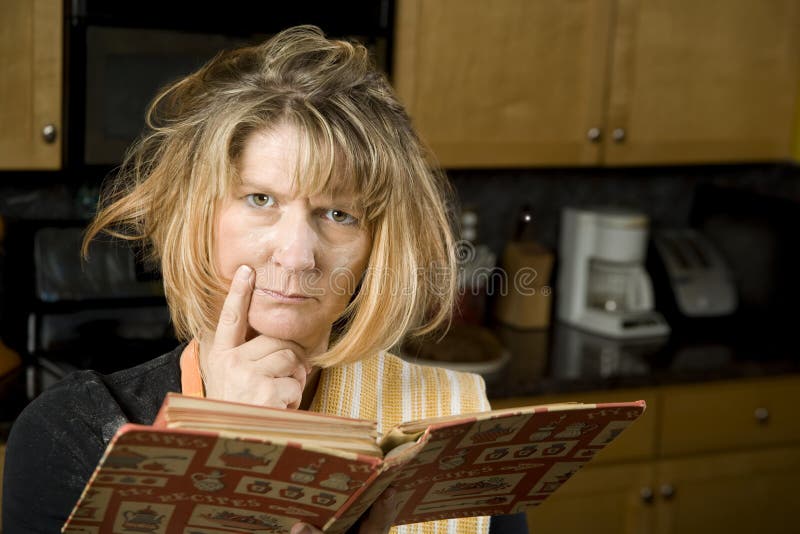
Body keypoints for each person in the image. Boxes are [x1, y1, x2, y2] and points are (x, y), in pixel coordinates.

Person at [2, 26, 525, 534]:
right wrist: (221, 462)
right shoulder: (71, 435)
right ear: (199, 215)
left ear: (377, 247)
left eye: (339, 214)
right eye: (261, 199)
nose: (297, 255)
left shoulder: (456, 439)